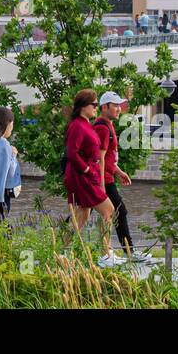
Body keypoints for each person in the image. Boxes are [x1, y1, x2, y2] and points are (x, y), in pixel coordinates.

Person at [63, 88, 121, 266]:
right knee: (108, 210)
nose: (96, 107)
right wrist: (87, 169)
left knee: (83, 215)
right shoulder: (77, 126)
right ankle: (106, 254)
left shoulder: (85, 123)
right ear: (83, 106)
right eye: (94, 104)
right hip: (83, 177)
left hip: (87, 175)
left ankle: (63, 251)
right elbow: (72, 152)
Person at [94, 92, 151, 263]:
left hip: (107, 177)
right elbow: (100, 158)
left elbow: (110, 157)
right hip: (102, 179)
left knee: (84, 213)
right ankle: (120, 253)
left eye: (120, 105)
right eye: (115, 105)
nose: (119, 109)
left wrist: (118, 171)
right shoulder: (102, 127)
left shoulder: (108, 125)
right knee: (117, 211)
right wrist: (102, 185)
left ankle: (112, 253)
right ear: (105, 107)